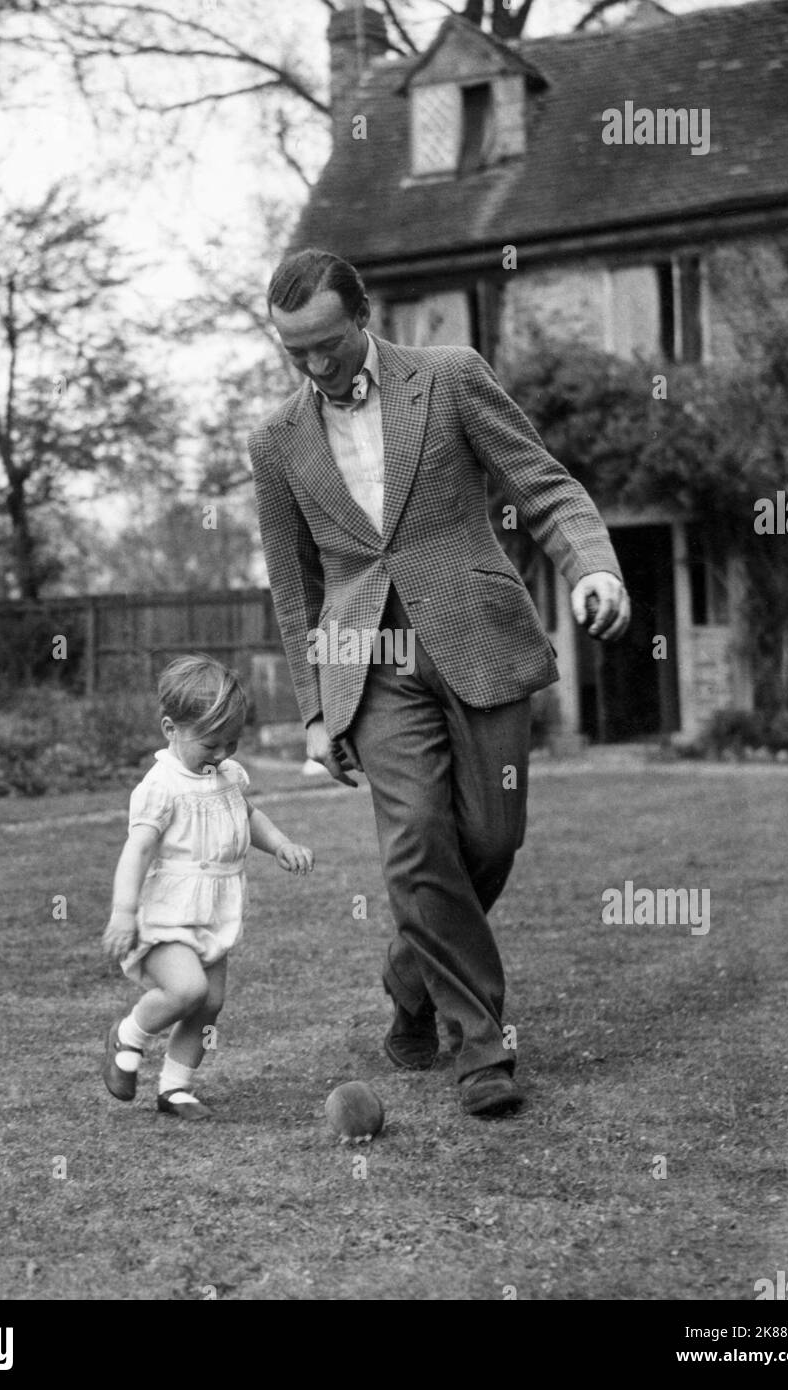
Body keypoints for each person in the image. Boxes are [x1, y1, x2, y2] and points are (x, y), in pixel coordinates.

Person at [249, 247, 630, 1120]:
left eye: (327, 343)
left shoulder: (450, 377)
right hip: (369, 664)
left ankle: (408, 975)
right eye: (292, 351)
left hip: (481, 639)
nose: (314, 365)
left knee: (489, 842)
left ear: (364, 314)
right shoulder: (275, 441)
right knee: (417, 841)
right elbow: (293, 581)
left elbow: (542, 485)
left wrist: (592, 568)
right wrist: (314, 711)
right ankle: (481, 1045)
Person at [101, 654, 314, 1120]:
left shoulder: (229, 777)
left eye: (231, 743)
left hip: (214, 911)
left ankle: (174, 1088)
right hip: (165, 914)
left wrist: (279, 844)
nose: (221, 754)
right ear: (170, 729)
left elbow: (248, 817)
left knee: (210, 1002)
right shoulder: (161, 787)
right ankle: (128, 1035)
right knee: (187, 990)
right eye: (210, 743)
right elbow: (136, 850)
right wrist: (122, 911)